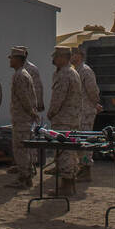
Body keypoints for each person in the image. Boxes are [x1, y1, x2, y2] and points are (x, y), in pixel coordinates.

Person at [46, 45, 83, 197]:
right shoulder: (71, 72)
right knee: (70, 152)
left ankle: (66, 186)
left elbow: (58, 99)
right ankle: (70, 184)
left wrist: (51, 113)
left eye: (56, 56)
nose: (53, 59)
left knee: (64, 153)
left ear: (62, 57)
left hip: (64, 120)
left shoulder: (65, 74)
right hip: (71, 119)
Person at [7, 47, 38, 187]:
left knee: (20, 149)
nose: (10, 60)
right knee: (24, 148)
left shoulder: (20, 75)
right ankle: (26, 176)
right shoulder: (23, 73)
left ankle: (24, 178)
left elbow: (24, 98)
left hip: (22, 119)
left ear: (18, 60)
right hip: (24, 118)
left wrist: (31, 113)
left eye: (12, 58)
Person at [71, 48, 101, 180]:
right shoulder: (76, 70)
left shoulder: (85, 70)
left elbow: (92, 90)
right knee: (79, 141)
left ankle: (86, 169)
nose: (71, 56)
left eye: (74, 54)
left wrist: (95, 104)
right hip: (79, 112)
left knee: (86, 141)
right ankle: (82, 167)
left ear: (80, 55)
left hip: (86, 112)